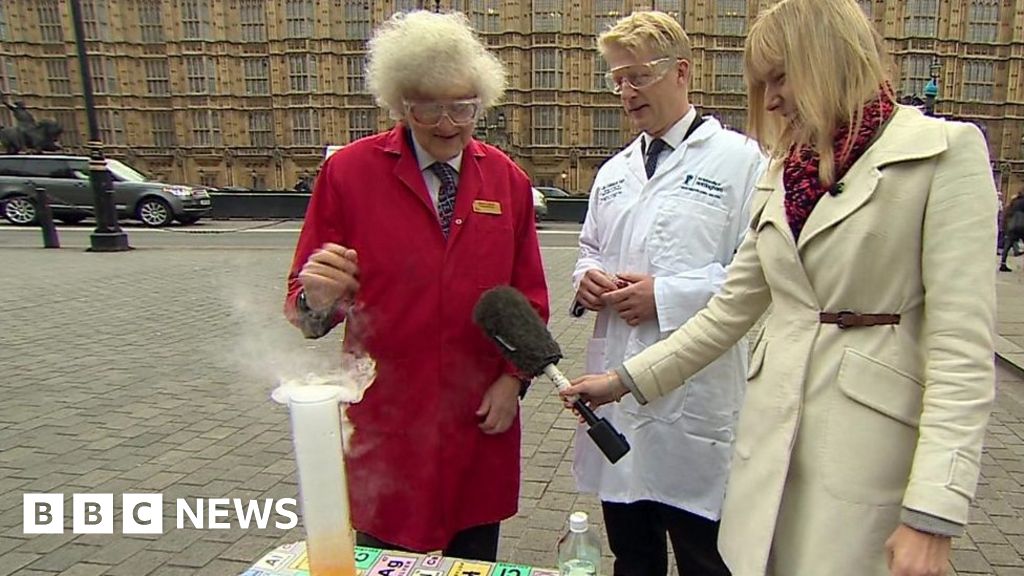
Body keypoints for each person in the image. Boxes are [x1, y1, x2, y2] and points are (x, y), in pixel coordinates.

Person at [563, 1, 997, 575]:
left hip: (865, 448)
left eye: (780, 77)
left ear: (831, 58)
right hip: (767, 440)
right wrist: (621, 382)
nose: (768, 101)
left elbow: (961, 353)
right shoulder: (783, 170)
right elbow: (728, 312)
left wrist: (933, 513)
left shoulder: (942, 153)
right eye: (760, 82)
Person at [284, 10, 548, 562]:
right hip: (388, 421)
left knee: (471, 563)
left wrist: (512, 381)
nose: (448, 123)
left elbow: (529, 300)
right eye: (428, 106)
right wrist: (317, 299)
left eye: (464, 106)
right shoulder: (349, 174)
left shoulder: (508, 180)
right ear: (400, 103)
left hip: (477, 418)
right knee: (384, 560)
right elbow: (305, 310)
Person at [570, 11, 765, 576]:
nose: (626, 92)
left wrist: (668, 295)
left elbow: (760, 275)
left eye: (638, 76)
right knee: (632, 556)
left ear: (682, 71)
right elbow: (588, 248)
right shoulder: (612, 171)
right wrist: (587, 278)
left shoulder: (741, 161)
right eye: (617, 79)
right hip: (617, 397)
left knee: (708, 559)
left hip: (695, 398)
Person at [1000, 190, 1024, 271]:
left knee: (1007, 244)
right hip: (1022, 225)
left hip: (1012, 224)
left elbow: (1008, 212)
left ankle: (1002, 264)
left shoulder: (1014, 202)